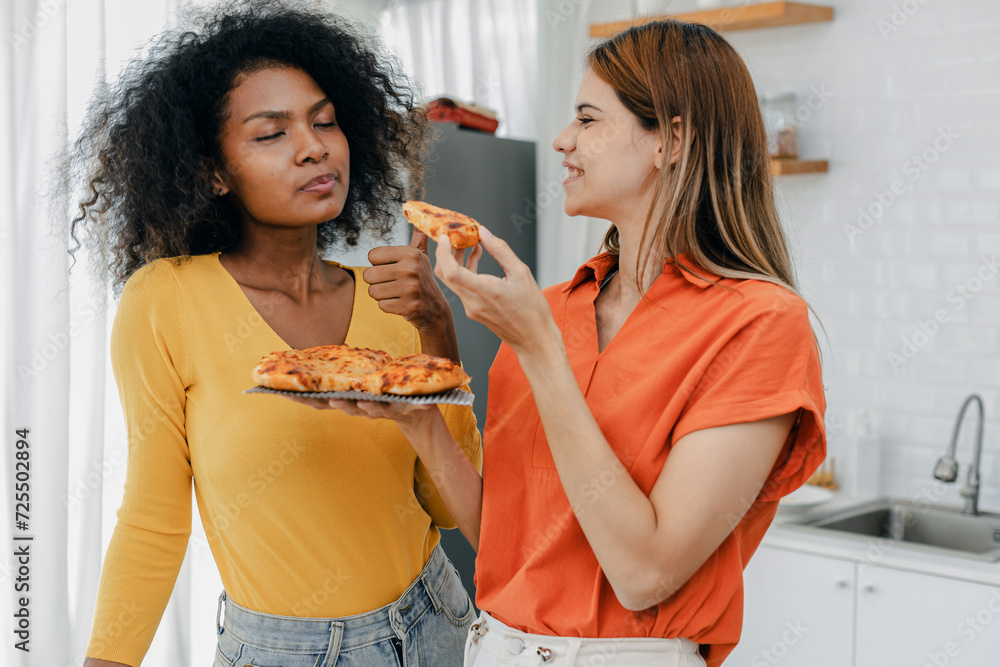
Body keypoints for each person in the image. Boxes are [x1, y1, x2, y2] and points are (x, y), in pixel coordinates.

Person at [318, 19, 827, 667]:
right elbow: (504, 541)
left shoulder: (759, 325)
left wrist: (538, 350)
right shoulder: (552, 308)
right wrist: (417, 419)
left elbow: (644, 573)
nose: (562, 139)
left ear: (672, 140)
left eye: (587, 119)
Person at [71, 2, 481, 665]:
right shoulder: (166, 301)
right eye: (271, 133)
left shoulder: (394, 301)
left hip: (435, 625)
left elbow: (446, 506)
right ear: (212, 171)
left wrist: (438, 330)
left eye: (325, 121)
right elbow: (153, 518)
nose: (314, 146)